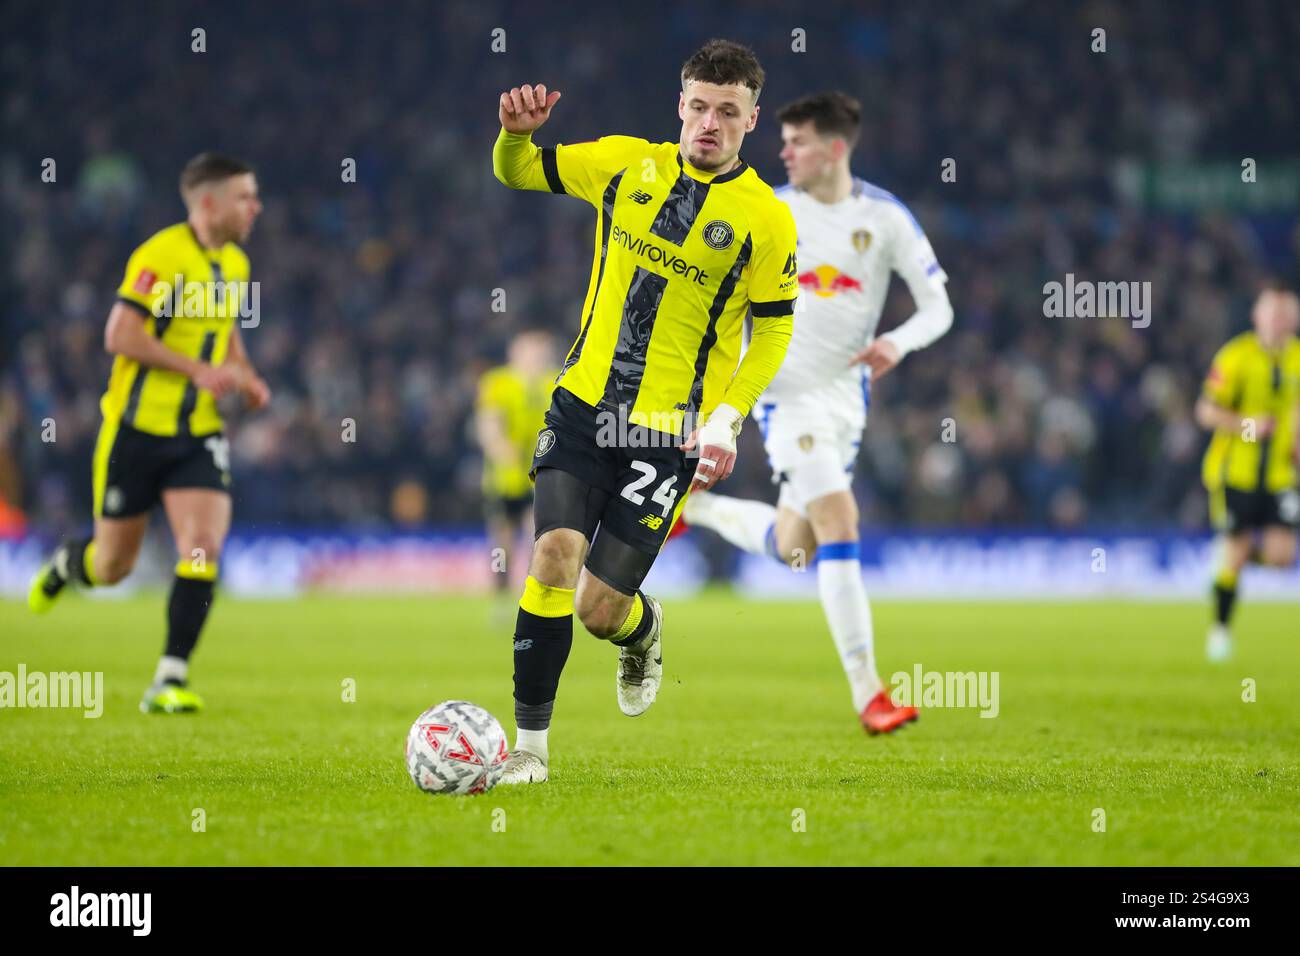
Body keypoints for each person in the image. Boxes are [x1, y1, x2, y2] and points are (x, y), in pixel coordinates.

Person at [490, 39, 798, 783]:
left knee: (600, 609)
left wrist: (726, 418)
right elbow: (519, 170)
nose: (710, 123)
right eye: (699, 106)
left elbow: (776, 327)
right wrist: (514, 132)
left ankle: (642, 626)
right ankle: (530, 752)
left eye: (728, 112)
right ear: (680, 105)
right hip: (582, 404)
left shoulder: (765, 219)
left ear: (751, 120)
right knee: (552, 559)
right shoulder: (627, 163)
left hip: (664, 434)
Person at [683, 92, 953, 734]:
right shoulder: (770, 210)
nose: (783, 153)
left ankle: (692, 510)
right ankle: (869, 693)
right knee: (840, 520)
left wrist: (897, 341)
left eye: (797, 142)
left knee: (795, 546)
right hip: (783, 394)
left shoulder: (885, 218)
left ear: (834, 149)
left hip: (846, 402)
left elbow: (939, 307)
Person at [28, 152, 271, 714]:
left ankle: (169, 677)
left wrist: (246, 376)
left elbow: (225, 326)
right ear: (207, 202)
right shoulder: (161, 257)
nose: (255, 206)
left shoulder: (234, 263)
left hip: (198, 434)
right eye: (244, 196)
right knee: (113, 568)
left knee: (203, 548)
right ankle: (70, 564)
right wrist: (196, 371)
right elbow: (119, 333)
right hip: (136, 430)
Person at [1195, 281, 1300, 662]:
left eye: (1286, 314)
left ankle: (1230, 555)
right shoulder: (1235, 357)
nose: (1278, 320)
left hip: (1281, 477)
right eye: (1272, 313)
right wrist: (1247, 426)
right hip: (1236, 473)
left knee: (1282, 557)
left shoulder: (1297, 359)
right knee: (1236, 555)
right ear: (1257, 316)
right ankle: (1220, 632)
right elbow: (1206, 412)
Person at [475, 330, 558, 612]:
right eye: (528, 352)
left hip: (542, 475)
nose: (534, 358)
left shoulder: (554, 382)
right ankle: (500, 601)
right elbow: (488, 423)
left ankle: (534, 601)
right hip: (505, 478)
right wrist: (499, 447)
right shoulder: (497, 383)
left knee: (539, 537)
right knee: (504, 544)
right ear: (514, 353)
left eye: (539, 352)